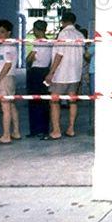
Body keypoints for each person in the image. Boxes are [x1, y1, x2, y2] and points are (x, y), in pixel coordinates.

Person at [45, 12, 85, 140]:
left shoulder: (63, 34)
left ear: (62, 21)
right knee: (72, 101)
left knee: (54, 101)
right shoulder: (80, 35)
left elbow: (59, 55)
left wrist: (51, 72)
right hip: (75, 74)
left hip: (62, 74)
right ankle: (71, 128)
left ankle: (56, 130)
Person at [0, 19, 20, 144]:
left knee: (5, 108)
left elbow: (8, 64)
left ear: (9, 33)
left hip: (5, 79)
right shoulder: (4, 45)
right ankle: (16, 132)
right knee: (11, 106)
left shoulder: (7, 46)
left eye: (2, 32)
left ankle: (6, 135)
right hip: (6, 78)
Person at [25, 20, 51, 138]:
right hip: (46, 71)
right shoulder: (50, 42)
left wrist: (29, 60)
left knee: (33, 101)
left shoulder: (38, 43)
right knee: (44, 101)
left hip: (35, 72)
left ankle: (35, 129)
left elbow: (29, 58)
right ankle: (45, 129)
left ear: (36, 29)